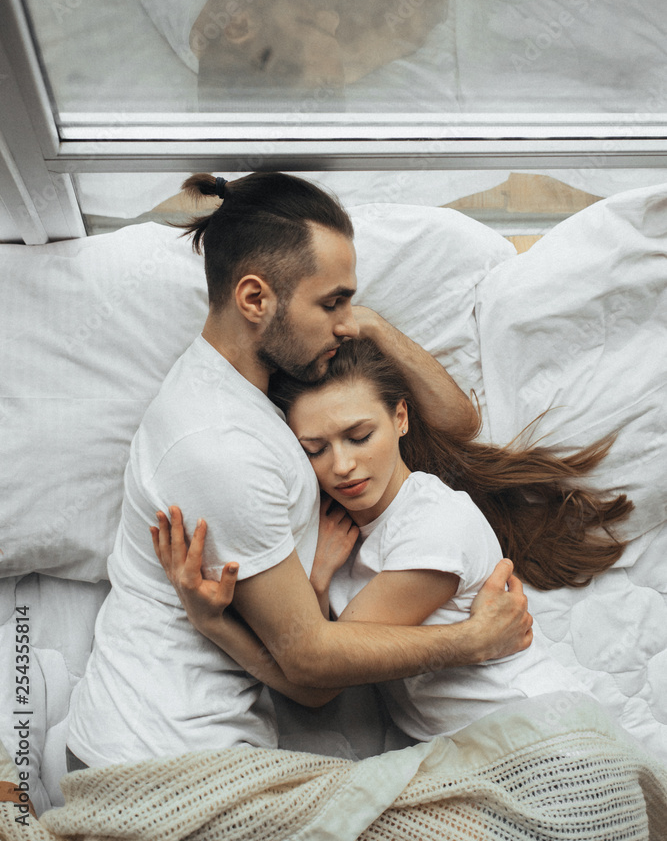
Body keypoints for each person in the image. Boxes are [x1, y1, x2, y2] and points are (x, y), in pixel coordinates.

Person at [66, 171, 531, 771]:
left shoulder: (270, 390)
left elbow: (456, 422)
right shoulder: (218, 443)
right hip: (160, 755)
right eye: (333, 302)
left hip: (195, 746)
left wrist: (372, 328)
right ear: (255, 300)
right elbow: (311, 665)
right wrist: (472, 642)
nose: (346, 321)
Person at [153, 337, 633, 735]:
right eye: (315, 450)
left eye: (359, 436)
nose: (342, 466)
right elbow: (323, 652)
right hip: (481, 750)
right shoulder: (332, 533)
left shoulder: (433, 526)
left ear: (400, 418)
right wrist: (317, 582)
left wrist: (212, 623)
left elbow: (319, 682)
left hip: (542, 738)